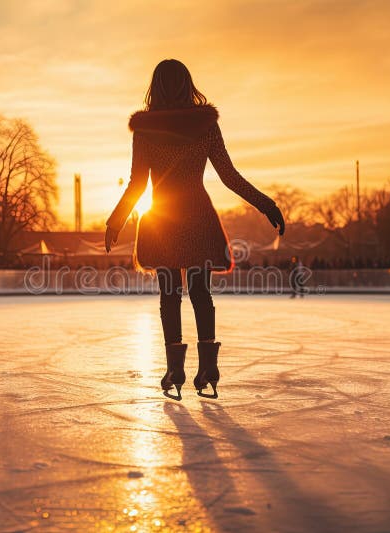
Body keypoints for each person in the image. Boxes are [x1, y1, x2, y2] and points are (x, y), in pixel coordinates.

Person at [105, 59, 284, 400]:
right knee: (201, 293)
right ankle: (209, 369)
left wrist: (116, 221)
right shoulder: (205, 127)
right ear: (189, 85)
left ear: (154, 87)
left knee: (169, 295)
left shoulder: (146, 130)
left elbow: (137, 184)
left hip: (162, 220)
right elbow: (229, 176)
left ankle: (174, 370)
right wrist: (266, 204)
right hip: (198, 216)